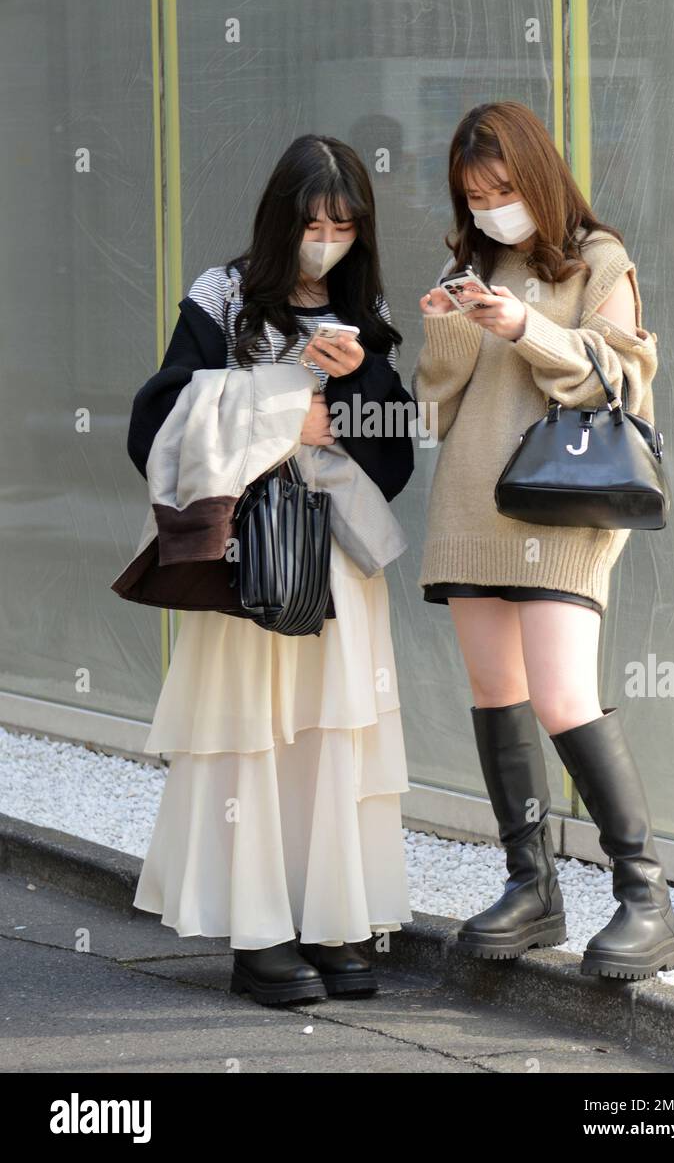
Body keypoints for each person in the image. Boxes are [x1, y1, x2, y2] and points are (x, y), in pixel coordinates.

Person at [127, 134, 416, 1006]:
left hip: (338, 558)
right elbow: (156, 425)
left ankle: (335, 921)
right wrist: (284, 412)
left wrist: (361, 383)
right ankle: (260, 935)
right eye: (311, 221)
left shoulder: (364, 307)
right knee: (254, 736)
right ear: (279, 219)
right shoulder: (222, 297)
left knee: (333, 736)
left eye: (343, 222)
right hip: (252, 557)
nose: (325, 238)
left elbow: (397, 460)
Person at [412, 101, 674, 981]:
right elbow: (433, 409)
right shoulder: (472, 264)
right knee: (499, 696)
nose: (491, 205)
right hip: (473, 507)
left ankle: (645, 897)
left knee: (564, 696)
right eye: (474, 192)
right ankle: (531, 888)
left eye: (502, 187)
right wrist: (450, 326)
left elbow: (618, 382)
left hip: (566, 507)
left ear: (538, 176)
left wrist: (524, 324)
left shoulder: (600, 262)